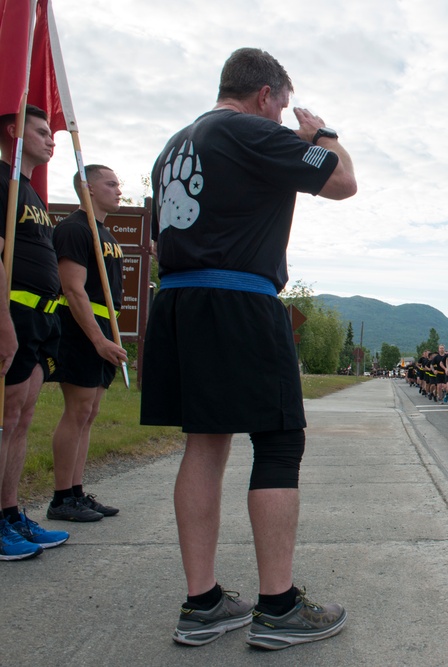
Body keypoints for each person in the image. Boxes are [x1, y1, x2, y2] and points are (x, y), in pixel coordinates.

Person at [140, 48, 356, 649]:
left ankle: (203, 602)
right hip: (237, 299)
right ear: (266, 95)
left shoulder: (175, 145)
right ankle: (279, 606)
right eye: (283, 107)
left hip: (180, 300)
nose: (286, 118)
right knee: (279, 439)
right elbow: (342, 180)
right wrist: (322, 135)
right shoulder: (250, 131)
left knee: (205, 444)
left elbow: (158, 239)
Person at [0, 104, 70, 560]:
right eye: (42, 131)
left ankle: (9, 513)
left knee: (20, 419)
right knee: (4, 419)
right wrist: (3, 320)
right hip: (14, 315)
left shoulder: (29, 192)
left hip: (42, 319)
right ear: (12, 130)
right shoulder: (2, 183)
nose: (51, 139)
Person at [47, 165, 129, 522]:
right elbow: (73, 289)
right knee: (77, 409)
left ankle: (77, 492)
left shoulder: (105, 233)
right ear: (88, 188)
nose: (119, 190)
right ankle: (62, 498)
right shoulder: (73, 229)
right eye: (110, 184)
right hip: (80, 330)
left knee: (89, 413)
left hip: (104, 329)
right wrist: (96, 339)